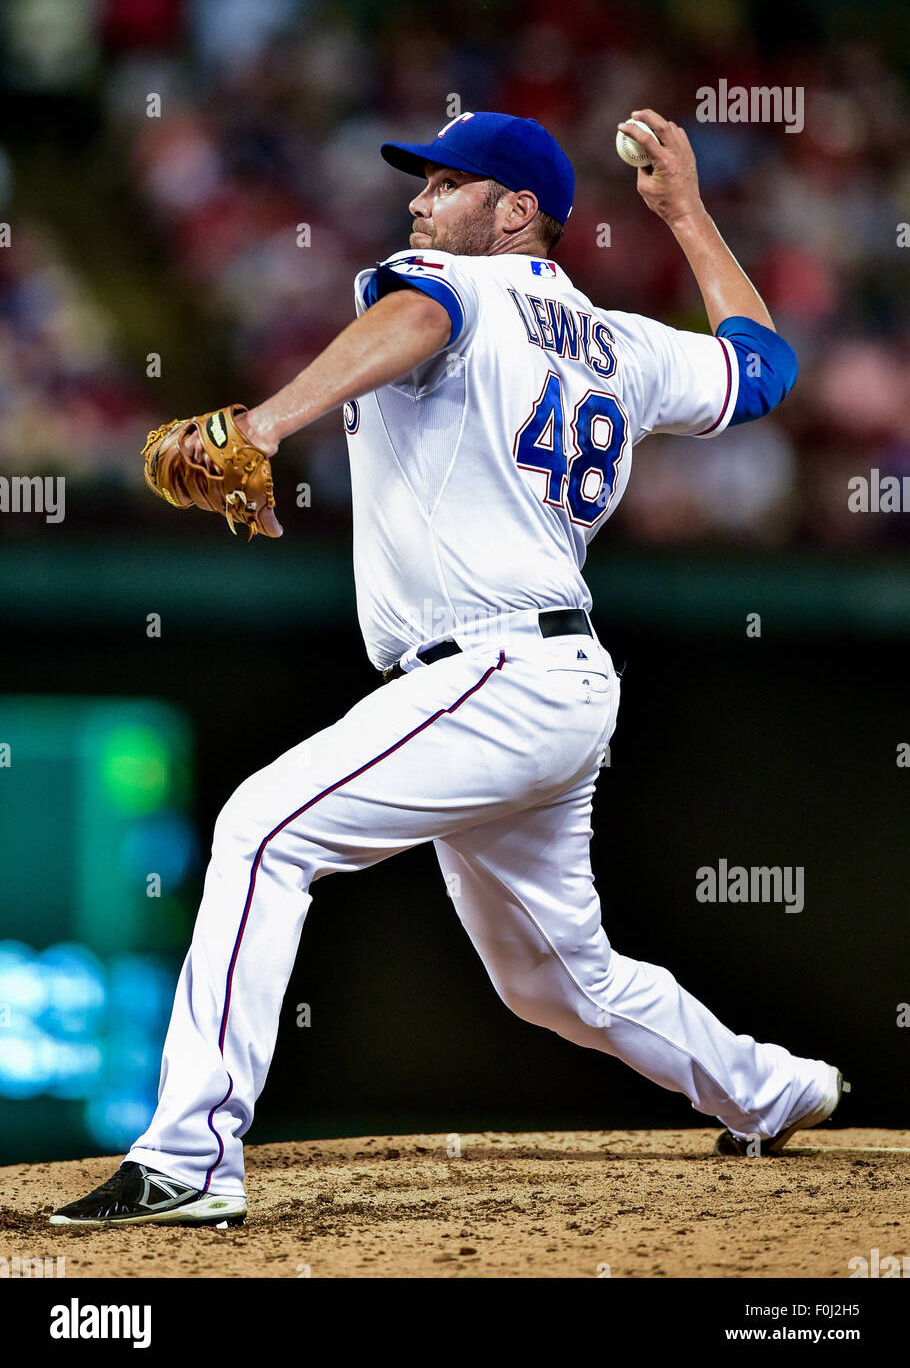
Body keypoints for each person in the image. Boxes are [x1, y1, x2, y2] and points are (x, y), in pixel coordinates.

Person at [51, 109, 843, 1227]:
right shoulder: (625, 342)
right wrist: (689, 217)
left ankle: (189, 1159)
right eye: (421, 184)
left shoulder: (446, 281)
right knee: (556, 980)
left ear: (516, 210)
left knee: (260, 830)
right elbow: (762, 371)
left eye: (447, 182)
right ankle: (772, 1087)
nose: (421, 201)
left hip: (493, 669)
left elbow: (422, 312)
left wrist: (267, 424)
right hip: (554, 680)